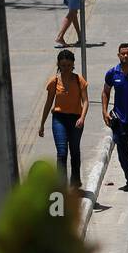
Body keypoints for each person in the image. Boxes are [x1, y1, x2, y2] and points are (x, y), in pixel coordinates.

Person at [39, 49, 89, 189]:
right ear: (58, 65)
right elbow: (49, 103)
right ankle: (61, 186)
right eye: (63, 65)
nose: (66, 68)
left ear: (73, 64)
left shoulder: (79, 80)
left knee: (74, 150)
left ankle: (75, 181)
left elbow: (85, 101)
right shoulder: (54, 82)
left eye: (68, 65)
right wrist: (42, 124)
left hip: (76, 119)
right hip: (59, 119)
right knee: (61, 152)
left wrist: (82, 118)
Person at [102, 42, 128, 191]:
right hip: (120, 121)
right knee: (123, 154)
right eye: (123, 53)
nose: (125, 56)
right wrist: (104, 111)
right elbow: (105, 92)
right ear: (118, 55)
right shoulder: (112, 73)